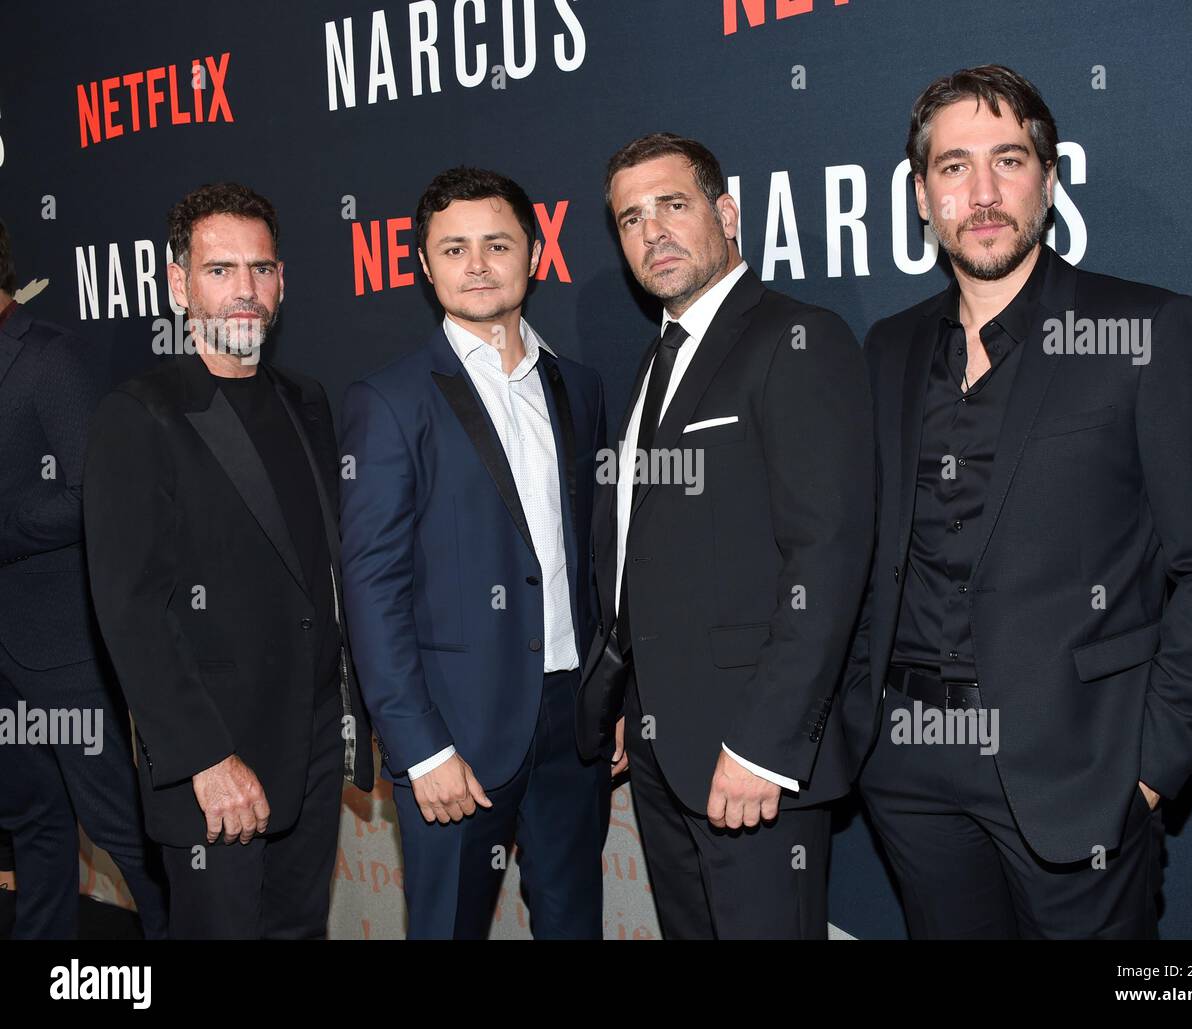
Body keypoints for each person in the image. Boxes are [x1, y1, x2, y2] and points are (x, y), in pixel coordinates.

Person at [843, 65, 1192, 938]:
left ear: (1049, 177)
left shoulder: (1147, 332)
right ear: (922, 197)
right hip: (908, 767)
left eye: (1009, 160)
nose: (984, 191)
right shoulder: (886, 349)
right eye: (954, 167)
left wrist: (1150, 768)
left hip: (1077, 765)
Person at [577, 133, 874, 938]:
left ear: (726, 212)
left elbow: (831, 556)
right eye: (631, 218)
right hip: (660, 755)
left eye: (673, 205)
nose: (653, 232)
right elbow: (644, 555)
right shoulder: (654, 363)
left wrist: (767, 745)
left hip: (752, 758)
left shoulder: (798, 339)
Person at [83, 183, 373, 939]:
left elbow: (322, 576)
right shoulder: (138, 415)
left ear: (283, 281)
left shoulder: (305, 399)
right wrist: (205, 758)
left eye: (262, 269)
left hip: (311, 744)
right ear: (178, 284)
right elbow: (130, 610)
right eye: (220, 271)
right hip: (216, 758)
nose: (245, 290)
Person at [341, 167, 608, 939]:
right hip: (456, 728)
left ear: (534, 252)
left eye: (497, 243)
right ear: (424, 266)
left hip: (572, 722)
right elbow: (372, 585)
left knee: (574, 923)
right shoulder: (391, 400)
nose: (478, 264)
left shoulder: (580, 388)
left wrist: (609, 693)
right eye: (453, 248)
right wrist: (420, 748)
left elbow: (595, 558)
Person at [0, 218, 167, 939]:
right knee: (32, 818)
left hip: (66, 647)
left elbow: (97, 493)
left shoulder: (48, 357)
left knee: (118, 827)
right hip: (4, 651)